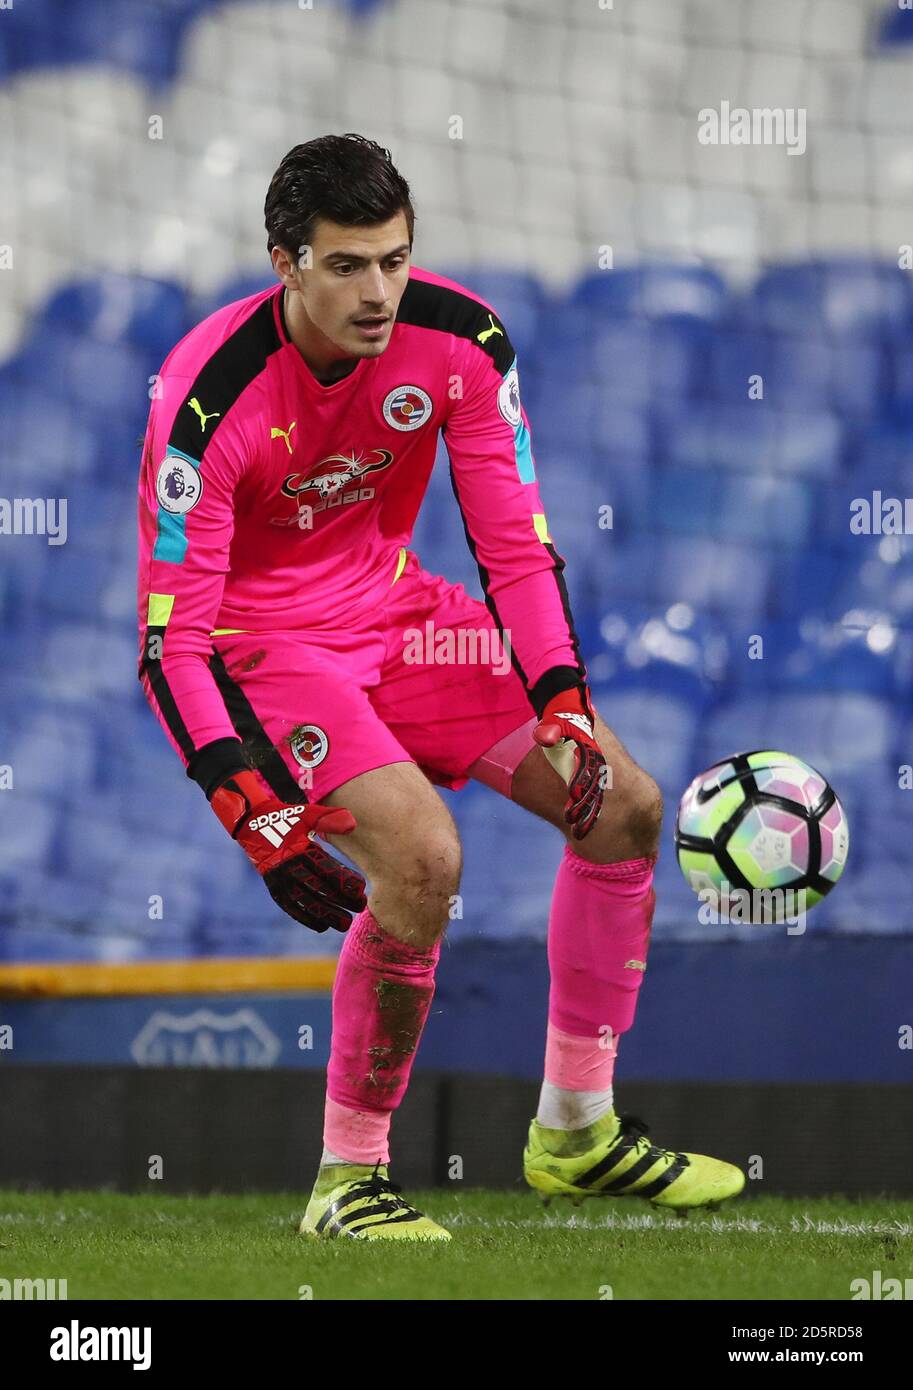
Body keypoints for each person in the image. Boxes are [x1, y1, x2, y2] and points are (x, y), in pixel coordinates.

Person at [137, 133, 744, 1241]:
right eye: (348, 265)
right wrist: (251, 814)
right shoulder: (205, 398)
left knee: (624, 805)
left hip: (399, 613)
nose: (378, 292)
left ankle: (577, 1131)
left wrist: (561, 695)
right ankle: (348, 1180)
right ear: (285, 262)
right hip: (268, 647)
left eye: (395, 260)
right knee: (424, 858)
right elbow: (172, 643)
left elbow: (513, 542)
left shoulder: (461, 342)